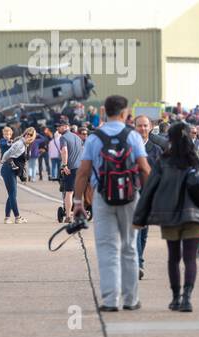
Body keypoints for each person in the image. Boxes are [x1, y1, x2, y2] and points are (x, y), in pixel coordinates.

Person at [72, 95, 151, 312]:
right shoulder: (133, 136)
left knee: (107, 248)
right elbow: (144, 169)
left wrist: (78, 202)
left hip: (102, 197)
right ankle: (131, 299)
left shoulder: (94, 138)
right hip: (130, 196)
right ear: (125, 113)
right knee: (129, 247)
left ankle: (109, 300)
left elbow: (83, 173)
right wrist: (148, 198)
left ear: (104, 112)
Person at [134, 122, 199, 313]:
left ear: (169, 140)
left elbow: (149, 189)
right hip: (194, 216)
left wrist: (140, 217)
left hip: (169, 217)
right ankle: (187, 298)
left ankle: (175, 297)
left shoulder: (164, 161)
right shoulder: (197, 160)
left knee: (173, 258)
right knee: (190, 259)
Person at [134, 114, 164, 280]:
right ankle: (138, 263)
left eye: (145, 126)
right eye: (140, 126)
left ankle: (138, 258)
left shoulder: (157, 149)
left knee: (144, 233)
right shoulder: (129, 147)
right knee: (137, 230)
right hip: (133, 195)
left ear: (151, 127)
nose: (143, 128)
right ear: (135, 127)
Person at [0, 125, 31, 223]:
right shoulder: (4, 142)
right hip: (7, 166)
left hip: (11, 167)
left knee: (12, 194)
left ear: (11, 134)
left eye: (9, 134)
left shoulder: (15, 142)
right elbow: (5, 146)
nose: (7, 135)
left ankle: (7, 217)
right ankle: (17, 217)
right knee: (12, 194)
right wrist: (2, 160)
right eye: (5, 134)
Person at [56, 118, 83, 223]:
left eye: (59, 126)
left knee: (69, 193)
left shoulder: (63, 138)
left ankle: (68, 216)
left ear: (66, 126)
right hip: (80, 168)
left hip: (71, 169)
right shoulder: (77, 137)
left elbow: (64, 151)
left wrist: (65, 165)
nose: (58, 128)